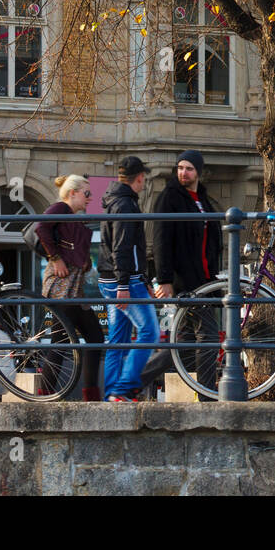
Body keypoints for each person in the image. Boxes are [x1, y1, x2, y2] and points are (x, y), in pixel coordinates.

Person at [140, 150, 223, 396]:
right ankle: (207, 394)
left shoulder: (202, 199)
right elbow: (161, 240)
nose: (183, 173)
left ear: (198, 171)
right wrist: (165, 279)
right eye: (180, 168)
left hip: (204, 280)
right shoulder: (170, 197)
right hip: (186, 280)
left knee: (185, 342)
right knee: (207, 338)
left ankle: (133, 382)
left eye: (188, 168)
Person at [34, 174, 105, 401]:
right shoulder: (60, 208)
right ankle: (49, 395)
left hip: (73, 287)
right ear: (72, 193)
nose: (90, 198)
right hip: (61, 285)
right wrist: (55, 258)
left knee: (88, 336)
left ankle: (85, 394)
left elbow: (73, 247)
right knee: (63, 340)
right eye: (86, 193)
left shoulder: (72, 216)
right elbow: (41, 229)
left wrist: (84, 262)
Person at [98, 156, 160, 403]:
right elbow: (123, 247)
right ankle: (122, 389)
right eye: (144, 178)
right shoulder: (125, 204)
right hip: (123, 282)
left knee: (118, 339)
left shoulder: (113, 200)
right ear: (139, 178)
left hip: (112, 279)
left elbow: (124, 248)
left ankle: (112, 394)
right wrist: (125, 284)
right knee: (149, 332)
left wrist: (141, 277)